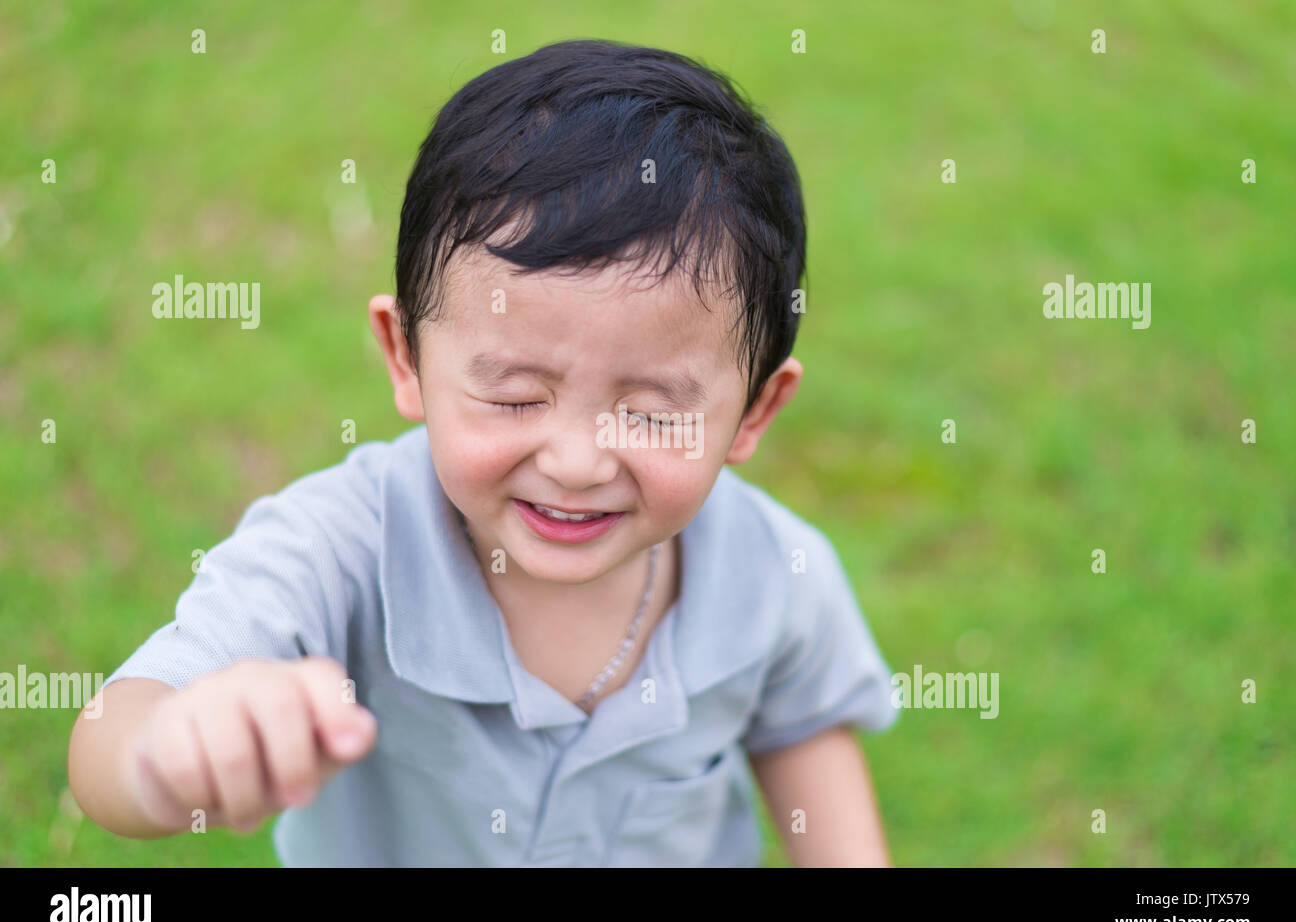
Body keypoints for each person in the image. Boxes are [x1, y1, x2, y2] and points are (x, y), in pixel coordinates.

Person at [68, 38, 900, 866]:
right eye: (513, 397)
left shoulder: (776, 575)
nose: (577, 462)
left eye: (649, 413)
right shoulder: (339, 549)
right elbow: (114, 736)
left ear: (755, 408)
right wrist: (167, 749)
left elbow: (811, 752)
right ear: (406, 358)